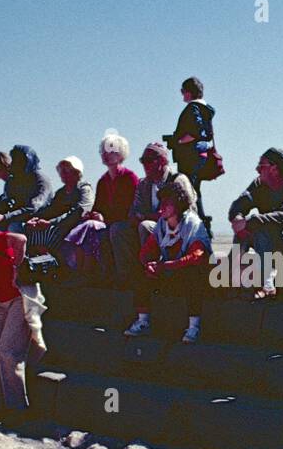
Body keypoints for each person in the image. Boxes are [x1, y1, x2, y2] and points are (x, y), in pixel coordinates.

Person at [123, 175, 211, 344]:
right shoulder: (162, 224)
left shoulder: (192, 223)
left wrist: (166, 266)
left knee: (194, 276)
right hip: (171, 271)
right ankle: (143, 321)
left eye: (166, 203)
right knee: (140, 274)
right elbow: (149, 248)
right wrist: (148, 264)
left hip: (192, 272)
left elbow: (196, 256)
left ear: (177, 204)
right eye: (161, 202)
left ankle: (194, 327)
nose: (161, 207)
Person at [227, 148, 283, 299]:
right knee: (242, 234)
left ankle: (267, 285)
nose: (257, 169)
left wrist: (251, 221)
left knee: (262, 229)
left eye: (261, 166)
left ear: (274, 168)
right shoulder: (258, 185)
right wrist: (238, 218)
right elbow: (238, 205)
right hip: (265, 240)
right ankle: (232, 279)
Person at [0, 229, 37, 414]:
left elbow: (21, 239)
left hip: (19, 297)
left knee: (7, 353)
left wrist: (16, 270)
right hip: (2, 301)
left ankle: (17, 409)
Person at [111, 142, 177, 285]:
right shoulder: (143, 184)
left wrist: (146, 217)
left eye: (149, 161)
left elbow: (174, 215)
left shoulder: (176, 180)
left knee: (146, 226)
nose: (145, 165)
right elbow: (134, 213)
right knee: (117, 229)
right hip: (150, 226)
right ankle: (128, 277)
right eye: (143, 161)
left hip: (174, 231)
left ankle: (153, 274)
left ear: (162, 161)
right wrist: (146, 216)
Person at [77, 132, 139, 283]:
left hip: (125, 224)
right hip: (109, 223)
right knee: (87, 227)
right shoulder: (102, 181)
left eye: (111, 151)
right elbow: (99, 206)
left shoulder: (130, 178)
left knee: (114, 230)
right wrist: (91, 215)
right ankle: (91, 274)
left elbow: (130, 208)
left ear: (120, 154)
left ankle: (123, 277)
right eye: (104, 151)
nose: (106, 154)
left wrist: (104, 218)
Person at [24, 157, 94, 263]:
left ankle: (56, 263)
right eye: (61, 171)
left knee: (52, 233)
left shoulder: (84, 189)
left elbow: (80, 211)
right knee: (30, 230)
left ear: (76, 171)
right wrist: (35, 219)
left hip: (74, 224)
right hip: (60, 225)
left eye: (66, 170)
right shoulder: (61, 193)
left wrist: (51, 222)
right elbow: (51, 210)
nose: (62, 174)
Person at [171, 76, 217, 233]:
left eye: (183, 91)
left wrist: (178, 141)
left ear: (189, 92)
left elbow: (194, 131)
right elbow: (207, 134)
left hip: (191, 156)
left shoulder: (192, 109)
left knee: (187, 190)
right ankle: (202, 222)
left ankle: (197, 225)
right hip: (201, 154)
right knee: (195, 190)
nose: (182, 94)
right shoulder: (206, 110)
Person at [0, 145, 52, 234]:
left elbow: (32, 208)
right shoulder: (13, 182)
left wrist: (4, 218)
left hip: (40, 223)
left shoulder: (41, 181)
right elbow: (8, 202)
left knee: (13, 227)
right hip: (22, 220)